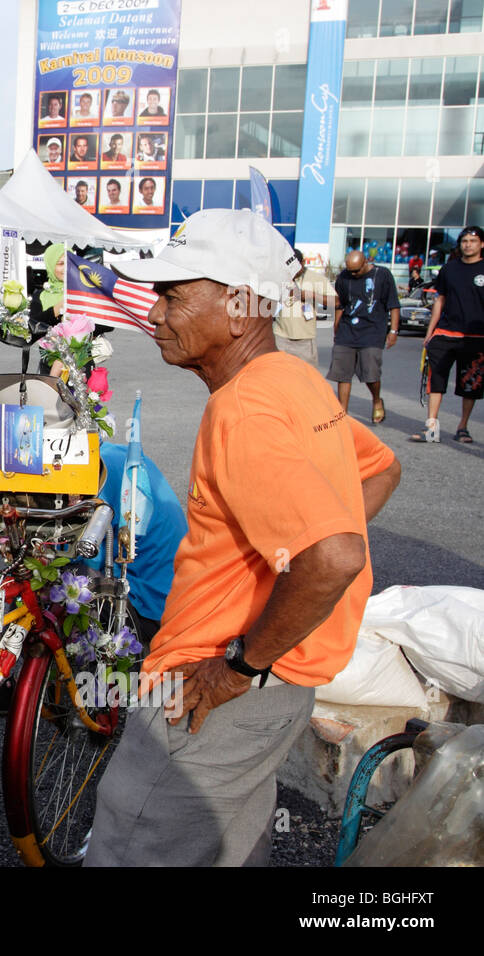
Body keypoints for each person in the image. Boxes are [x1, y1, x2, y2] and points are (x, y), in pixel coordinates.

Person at [86, 208, 400, 867]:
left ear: (237, 306)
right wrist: (284, 576)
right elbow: (377, 469)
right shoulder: (293, 381)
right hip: (276, 687)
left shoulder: (245, 405)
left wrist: (242, 663)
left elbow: (333, 553)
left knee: (138, 842)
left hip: (213, 694)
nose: (155, 313)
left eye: (173, 296)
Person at [81, 442, 187, 644]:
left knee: (65, 588)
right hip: (177, 592)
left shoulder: (95, 473)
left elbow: (87, 560)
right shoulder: (113, 453)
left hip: (151, 607)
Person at [411, 224, 484, 443]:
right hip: (445, 333)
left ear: (481, 244)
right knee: (436, 380)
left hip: (476, 337)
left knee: (470, 384)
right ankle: (431, 426)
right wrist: (430, 332)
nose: (468, 245)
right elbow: (439, 300)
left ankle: (463, 427)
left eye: (472, 241)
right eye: (464, 241)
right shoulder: (449, 269)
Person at [329, 249, 400, 424]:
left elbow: (393, 304)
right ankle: (342, 413)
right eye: (350, 270)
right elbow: (341, 304)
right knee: (342, 373)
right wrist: (336, 326)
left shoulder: (382, 275)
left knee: (371, 373)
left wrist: (393, 331)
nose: (353, 274)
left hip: (373, 330)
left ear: (365, 263)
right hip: (347, 329)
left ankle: (376, 400)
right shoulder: (344, 277)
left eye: (356, 271)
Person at [273, 247, 335, 365]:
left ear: (303, 263)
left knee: (306, 377)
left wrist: (311, 295)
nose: (293, 272)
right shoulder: (280, 277)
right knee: (279, 377)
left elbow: (335, 302)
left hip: (305, 340)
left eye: (296, 268)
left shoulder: (316, 279)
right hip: (280, 337)